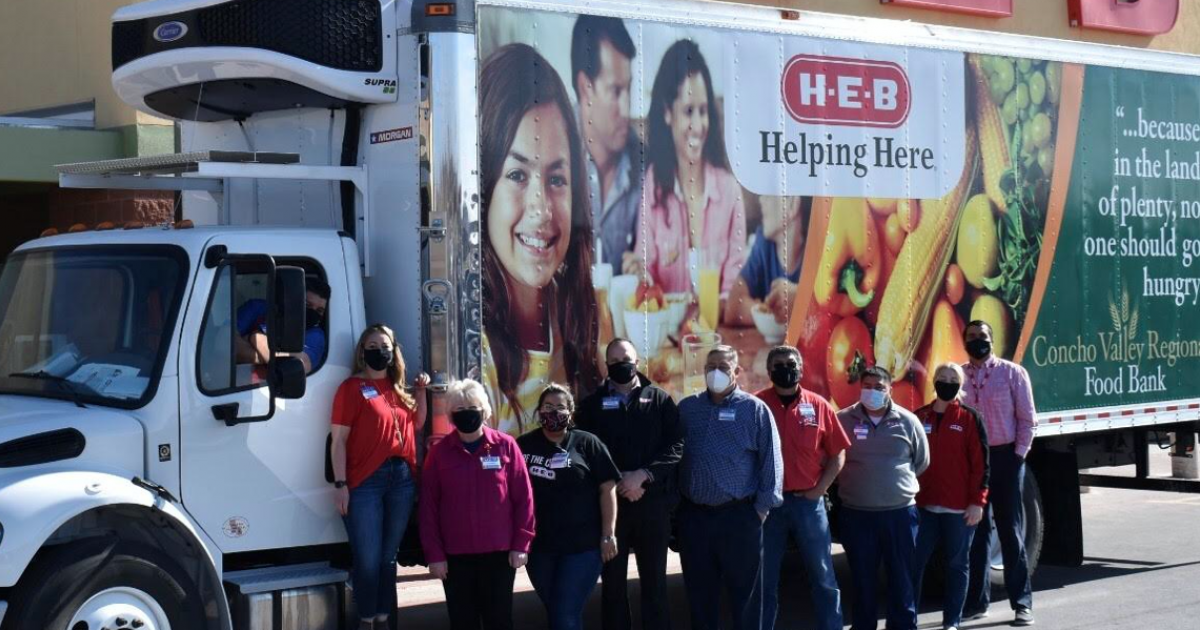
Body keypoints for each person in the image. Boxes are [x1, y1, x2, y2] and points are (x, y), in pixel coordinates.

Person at [479, 43, 601, 436]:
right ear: (483, 187)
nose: (542, 208)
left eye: (556, 179)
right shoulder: (477, 350)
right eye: (517, 175)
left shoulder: (570, 314)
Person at [576, 338, 684, 630]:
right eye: (614, 361)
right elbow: (585, 452)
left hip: (652, 505)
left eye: (627, 359)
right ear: (606, 365)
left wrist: (644, 476)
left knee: (655, 585)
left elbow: (676, 446)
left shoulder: (659, 399)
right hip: (611, 510)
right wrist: (618, 480)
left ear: (637, 362)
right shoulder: (590, 406)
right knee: (612, 588)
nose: (621, 365)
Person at [676, 345, 782, 630]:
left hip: (739, 518)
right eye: (710, 366)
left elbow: (771, 463)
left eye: (723, 367)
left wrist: (759, 511)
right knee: (699, 597)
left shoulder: (754, 410)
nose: (715, 373)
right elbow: (673, 457)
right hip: (695, 518)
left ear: (737, 371)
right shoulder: (688, 409)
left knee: (745, 599)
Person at [330, 324, 429, 630]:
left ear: (393, 351)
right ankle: (366, 620)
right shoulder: (351, 388)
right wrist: (341, 485)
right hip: (365, 482)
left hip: (400, 477)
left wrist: (422, 391)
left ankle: (384, 619)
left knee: (388, 558)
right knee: (368, 560)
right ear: (362, 351)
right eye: (372, 345)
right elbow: (338, 441)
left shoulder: (397, 387)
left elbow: (417, 424)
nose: (379, 351)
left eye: (384, 345)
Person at [419, 379, 535, 630]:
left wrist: (521, 544)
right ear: (450, 415)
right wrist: (435, 555)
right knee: (462, 622)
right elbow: (428, 508)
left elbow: (523, 498)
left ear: (484, 410)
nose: (466, 413)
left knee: (499, 621)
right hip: (456, 558)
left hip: (499, 555)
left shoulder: (506, 446)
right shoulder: (439, 453)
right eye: (459, 409)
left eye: (472, 407)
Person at [639, 39, 747, 300]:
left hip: (720, 338)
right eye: (688, 111)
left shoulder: (730, 192)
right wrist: (640, 276)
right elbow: (646, 274)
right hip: (667, 338)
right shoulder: (652, 186)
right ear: (668, 113)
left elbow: (734, 288)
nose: (698, 125)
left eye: (703, 111)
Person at [755, 346, 849, 630]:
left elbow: (838, 454)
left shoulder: (819, 405)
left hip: (809, 503)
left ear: (801, 369)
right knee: (764, 579)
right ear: (770, 372)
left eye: (791, 363)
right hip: (769, 507)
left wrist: (820, 489)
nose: (786, 368)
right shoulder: (756, 405)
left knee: (823, 575)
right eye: (779, 364)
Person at [518, 384, 621, 630]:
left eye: (560, 407)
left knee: (565, 614)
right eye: (548, 407)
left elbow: (608, 489)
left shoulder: (588, 443)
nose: (553, 412)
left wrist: (608, 534)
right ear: (539, 411)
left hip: (582, 549)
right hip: (540, 549)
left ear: (570, 412)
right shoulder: (523, 445)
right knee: (556, 611)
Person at [836, 366, 930, 630]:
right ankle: (863, 626)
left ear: (890, 389)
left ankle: (902, 625)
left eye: (879, 387)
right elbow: (832, 459)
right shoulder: (843, 419)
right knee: (862, 578)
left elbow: (921, 461)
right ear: (860, 387)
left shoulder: (908, 421)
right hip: (857, 514)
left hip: (899, 515)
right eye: (868, 385)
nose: (873, 391)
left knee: (902, 578)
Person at [961, 320, 1037, 626]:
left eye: (983, 336)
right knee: (976, 535)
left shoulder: (1012, 373)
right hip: (973, 461)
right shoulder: (958, 375)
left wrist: (1018, 458)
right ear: (964, 341)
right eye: (972, 337)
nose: (978, 341)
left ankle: (1022, 603)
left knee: (1010, 532)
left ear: (993, 340)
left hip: (1006, 458)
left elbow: (1028, 420)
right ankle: (978, 603)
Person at [912, 363, 990, 630]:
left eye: (952, 379)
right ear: (933, 382)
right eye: (942, 378)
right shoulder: (919, 416)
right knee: (914, 563)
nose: (947, 382)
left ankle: (951, 622)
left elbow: (981, 465)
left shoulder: (970, 418)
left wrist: (977, 502)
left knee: (957, 564)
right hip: (923, 508)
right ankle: (907, 619)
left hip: (959, 509)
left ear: (961, 384)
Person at [571, 15, 643, 273]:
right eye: (615, 92)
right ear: (585, 87)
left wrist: (643, 267)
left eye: (629, 90)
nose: (627, 109)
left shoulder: (645, 165)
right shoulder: (551, 153)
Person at [726, 196, 807, 327]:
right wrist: (770, 312)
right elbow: (733, 308)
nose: (761, 199)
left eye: (769, 192)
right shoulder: (763, 243)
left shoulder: (819, 253)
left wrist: (800, 300)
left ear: (792, 205)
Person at [236, 277, 330, 374]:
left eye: (319, 310)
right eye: (307, 304)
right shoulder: (257, 308)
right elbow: (226, 345)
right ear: (292, 299)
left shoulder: (315, 334)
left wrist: (254, 336)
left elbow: (297, 366)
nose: (312, 312)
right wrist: (271, 358)